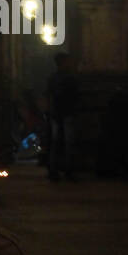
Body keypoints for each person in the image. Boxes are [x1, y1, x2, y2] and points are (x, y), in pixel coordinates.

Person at [46, 52, 80, 181]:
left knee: (56, 143)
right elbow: (76, 96)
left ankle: (54, 171)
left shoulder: (53, 78)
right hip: (67, 113)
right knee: (68, 143)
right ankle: (68, 171)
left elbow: (49, 95)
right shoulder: (70, 78)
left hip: (56, 113)